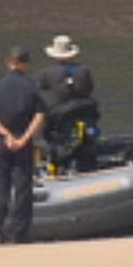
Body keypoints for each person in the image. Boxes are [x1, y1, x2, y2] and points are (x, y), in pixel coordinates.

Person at [0, 46, 47, 244]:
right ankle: (19, 233)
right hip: (22, 141)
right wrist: (24, 138)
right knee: (23, 187)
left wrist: (6, 134)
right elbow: (40, 115)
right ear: (25, 64)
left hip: (1, 141)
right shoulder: (31, 86)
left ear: (8, 62)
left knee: (1, 187)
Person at [37, 34, 100, 175]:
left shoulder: (46, 74)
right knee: (87, 148)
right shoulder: (84, 70)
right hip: (85, 115)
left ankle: (59, 170)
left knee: (59, 147)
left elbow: (41, 93)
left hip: (60, 119)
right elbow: (90, 88)